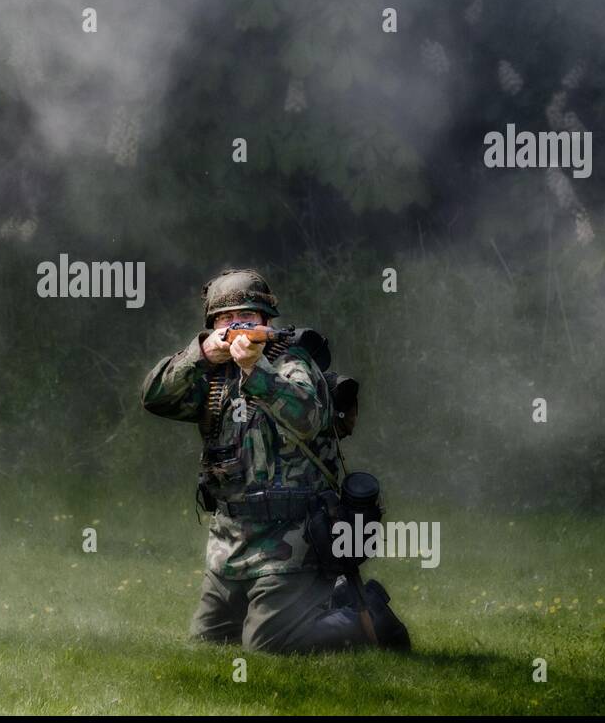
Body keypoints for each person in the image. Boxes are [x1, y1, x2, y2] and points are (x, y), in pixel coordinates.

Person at [140, 268, 409, 653]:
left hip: (293, 539)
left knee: (269, 646)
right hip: (230, 543)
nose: (237, 326)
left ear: (265, 322)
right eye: (226, 319)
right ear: (214, 326)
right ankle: (330, 599)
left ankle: (367, 617)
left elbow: (308, 419)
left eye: (246, 317)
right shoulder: (210, 373)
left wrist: (255, 369)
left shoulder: (291, 362)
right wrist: (199, 354)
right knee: (208, 646)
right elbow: (154, 396)